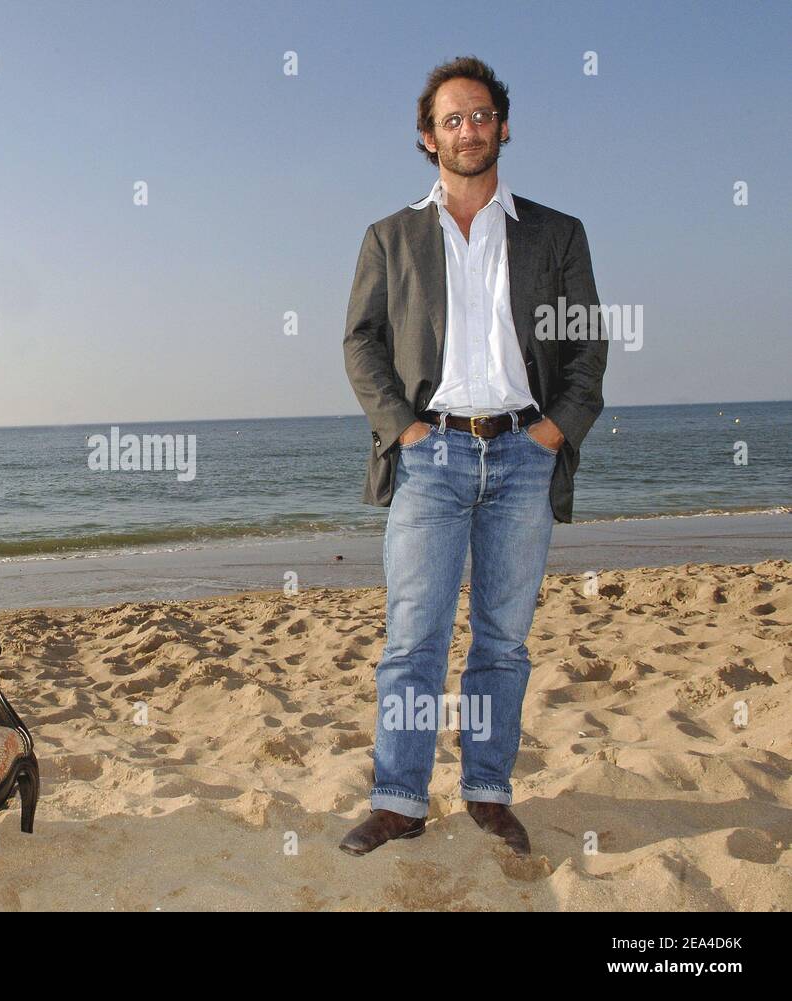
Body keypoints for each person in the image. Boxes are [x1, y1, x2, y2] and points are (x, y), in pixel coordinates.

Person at [340, 56, 607, 857]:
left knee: (502, 639)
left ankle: (488, 790)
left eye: (482, 114)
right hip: (429, 458)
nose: (469, 129)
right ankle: (400, 799)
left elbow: (586, 348)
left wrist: (553, 432)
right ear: (429, 138)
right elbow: (362, 344)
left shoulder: (556, 234)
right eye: (452, 119)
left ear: (503, 125)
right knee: (412, 638)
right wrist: (408, 431)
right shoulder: (390, 237)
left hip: (525, 455)